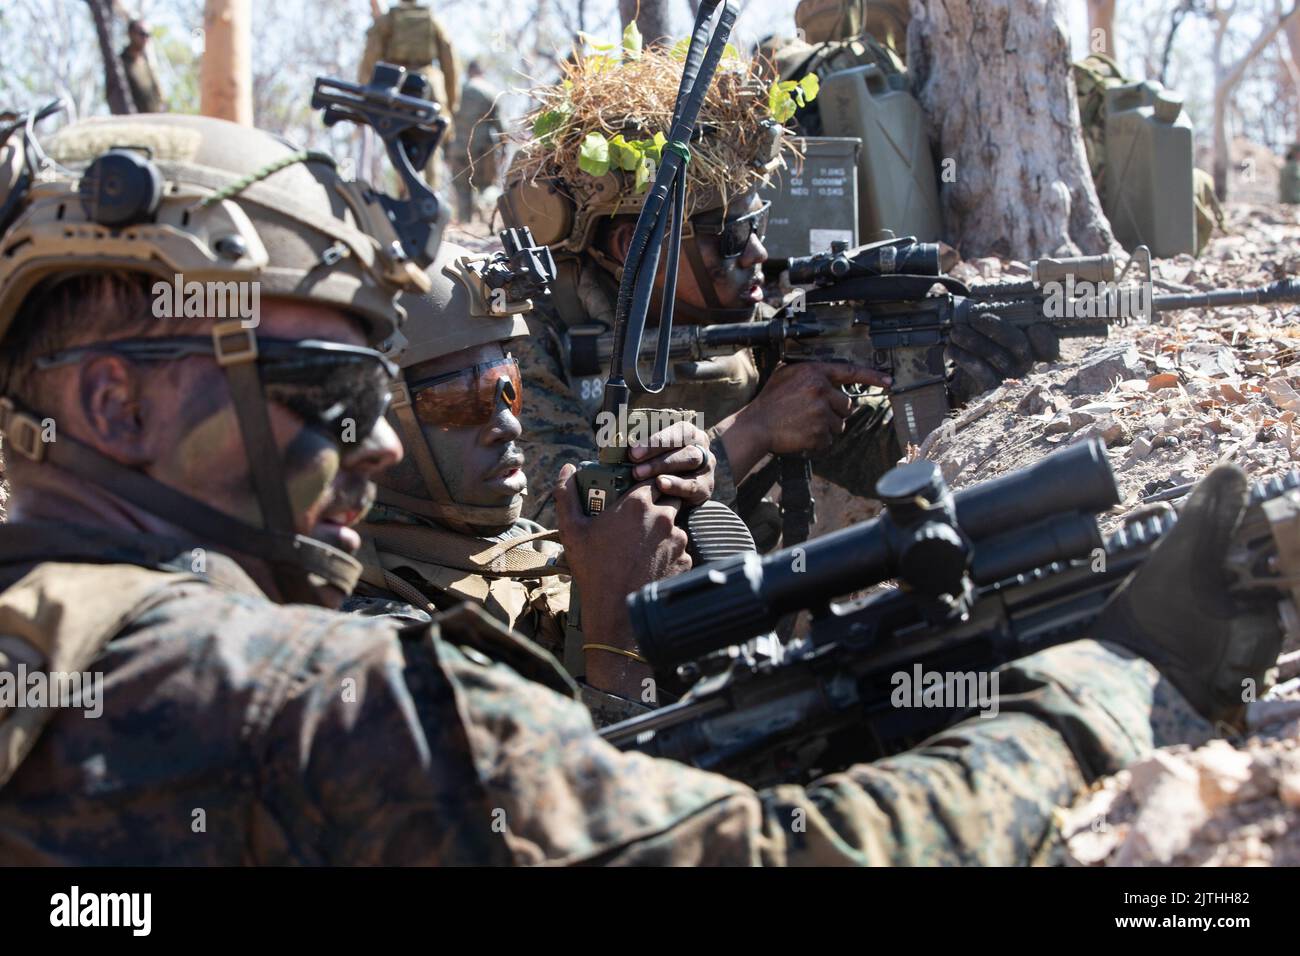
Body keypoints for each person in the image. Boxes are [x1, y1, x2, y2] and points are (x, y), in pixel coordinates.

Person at [0, 109, 1277, 868]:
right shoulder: (297, 698)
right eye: (331, 395)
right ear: (113, 402)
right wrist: (1099, 686)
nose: (379, 444)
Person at [498, 49, 1056, 533]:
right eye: (732, 236)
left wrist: (959, 386)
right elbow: (565, 526)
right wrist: (756, 428)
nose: (758, 255)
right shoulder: (524, 342)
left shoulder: (755, 328)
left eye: (756, 226)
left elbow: (875, 458)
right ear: (632, 248)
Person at [343, 244, 717, 719]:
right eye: (460, 397)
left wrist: (675, 506)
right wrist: (618, 644)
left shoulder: (518, 546)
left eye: (507, 385)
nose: (508, 424)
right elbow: (570, 789)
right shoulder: (369, 631)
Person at [359, 0, 460, 186]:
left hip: (398, 86)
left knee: (399, 143)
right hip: (430, 86)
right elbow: (450, 62)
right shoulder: (432, 20)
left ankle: (406, 194)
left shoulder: (387, 21)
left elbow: (370, 57)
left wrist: (366, 94)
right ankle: (432, 194)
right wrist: (452, 102)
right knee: (431, 143)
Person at [449, 60, 504, 223]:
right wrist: (504, 145)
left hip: (458, 148)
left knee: (462, 189)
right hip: (482, 148)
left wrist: (446, 149)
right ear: (481, 72)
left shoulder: (457, 92)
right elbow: (499, 123)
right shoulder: (489, 90)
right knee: (486, 186)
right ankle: (487, 220)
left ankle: (464, 223)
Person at [121, 18, 164, 114]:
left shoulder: (147, 63)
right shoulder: (120, 65)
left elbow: (158, 94)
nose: (146, 38)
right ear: (130, 34)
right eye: (142, 33)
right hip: (133, 123)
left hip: (155, 120)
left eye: (148, 35)